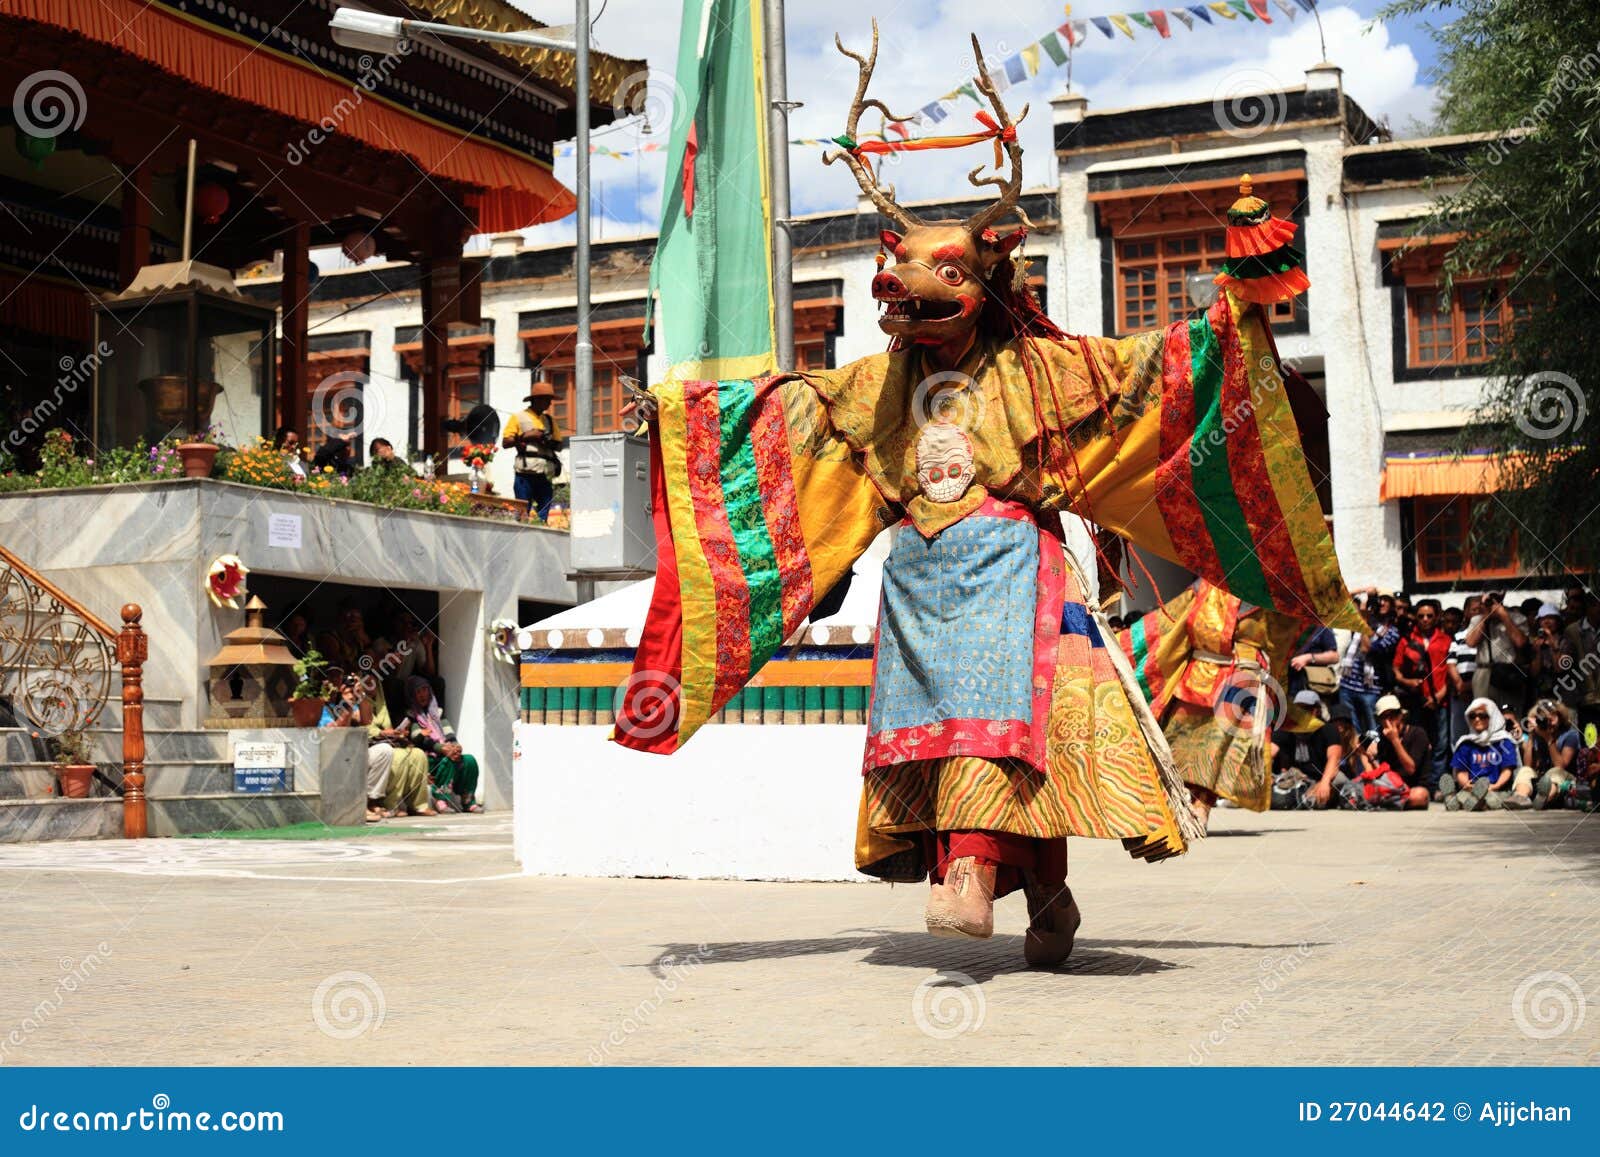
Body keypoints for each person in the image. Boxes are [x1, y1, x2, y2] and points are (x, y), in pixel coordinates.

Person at [613, 70, 1359, 967]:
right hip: (920, 581)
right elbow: (788, 406)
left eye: (948, 273)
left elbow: (1147, 369)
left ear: (989, 274)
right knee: (967, 737)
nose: (913, 286)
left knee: (990, 725)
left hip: (1014, 575)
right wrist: (677, 413)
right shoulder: (881, 384)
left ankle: (970, 876)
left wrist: (1228, 316)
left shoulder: (1045, 369)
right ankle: (1044, 891)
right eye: (909, 271)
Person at [403, 676, 482, 813]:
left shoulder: (437, 713)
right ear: (412, 695)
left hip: (444, 753)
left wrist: (455, 747)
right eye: (418, 692)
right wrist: (442, 749)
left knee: (469, 760)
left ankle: (468, 799)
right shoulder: (411, 716)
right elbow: (418, 738)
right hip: (429, 758)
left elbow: (449, 734)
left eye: (425, 690)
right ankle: (440, 798)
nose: (422, 695)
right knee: (448, 761)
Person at [1394, 598, 1451, 786]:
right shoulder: (1407, 639)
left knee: (1441, 744)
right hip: (1415, 700)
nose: (1425, 619)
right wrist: (1407, 681)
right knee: (1419, 742)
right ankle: (1420, 783)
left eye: (1429, 616)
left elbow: (1450, 670)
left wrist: (1441, 694)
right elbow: (1396, 669)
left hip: (1439, 700)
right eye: (1421, 616)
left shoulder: (1446, 640)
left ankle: (1437, 785)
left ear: (1436, 618)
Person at [1270, 692, 1355, 809]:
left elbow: (1334, 759)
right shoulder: (1286, 729)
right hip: (1295, 779)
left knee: (1339, 779)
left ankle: (1302, 799)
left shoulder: (1328, 729)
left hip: (1322, 778)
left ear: (1317, 710)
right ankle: (1295, 799)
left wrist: (1324, 782)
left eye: (1307, 708)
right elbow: (1269, 753)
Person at [365, 679, 432, 821]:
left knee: (418, 755)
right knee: (399, 756)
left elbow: (388, 728)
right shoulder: (360, 704)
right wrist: (382, 733)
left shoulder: (381, 704)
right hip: (371, 745)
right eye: (367, 684)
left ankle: (418, 805)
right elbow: (365, 728)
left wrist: (398, 734)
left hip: (389, 742)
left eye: (374, 684)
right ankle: (390, 804)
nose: (372, 687)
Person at [1439, 697, 1522, 811]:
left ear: (1492, 717)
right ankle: (1455, 800)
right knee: (1463, 796)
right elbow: (1461, 771)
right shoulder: (1465, 743)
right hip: (1471, 789)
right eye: (1472, 716)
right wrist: (1467, 785)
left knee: (1493, 800)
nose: (1477, 719)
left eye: (1482, 716)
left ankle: (1472, 802)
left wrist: (1494, 786)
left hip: (1497, 789)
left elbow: (1507, 770)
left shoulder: (1504, 741)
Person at [502, 382, 563, 520]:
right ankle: (520, 538)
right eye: (547, 399)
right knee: (523, 512)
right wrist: (526, 436)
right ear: (537, 399)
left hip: (545, 474)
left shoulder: (549, 420)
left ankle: (540, 536)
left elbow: (559, 445)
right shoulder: (518, 417)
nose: (549, 403)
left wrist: (544, 439)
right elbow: (506, 442)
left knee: (543, 513)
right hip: (525, 474)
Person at [1464, 591, 1530, 715]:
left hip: (1508, 672)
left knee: (1510, 714)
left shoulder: (1517, 618)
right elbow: (1471, 642)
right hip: (1484, 672)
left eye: (1495, 597)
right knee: (1483, 715)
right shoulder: (1477, 619)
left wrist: (1503, 615)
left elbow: (1520, 642)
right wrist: (1485, 617)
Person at [1512, 699, 1584, 810]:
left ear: (1560, 718)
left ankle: (1546, 798)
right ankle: (1520, 797)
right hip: (1543, 781)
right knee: (1525, 770)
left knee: (1556, 771)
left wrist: (1549, 739)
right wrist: (1531, 737)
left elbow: (1561, 765)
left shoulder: (1570, 736)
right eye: (1544, 719)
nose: (1548, 723)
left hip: (1565, 782)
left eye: (1552, 718)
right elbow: (1528, 765)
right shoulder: (1538, 735)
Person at [1446, 597, 1481, 752]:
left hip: (1480, 691)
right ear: (1466, 612)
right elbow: (1451, 663)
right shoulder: (1458, 637)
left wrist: (1473, 686)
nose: (1478, 613)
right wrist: (1460, 685)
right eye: (1474, 610)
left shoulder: (1490, 636)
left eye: (1481, 609)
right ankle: (1459, 771)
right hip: (1460, 693)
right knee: (1459, 734)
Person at [1374, 693, 1431, 789]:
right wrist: (1368, 757)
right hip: (1393, 786)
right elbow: (1383, 772)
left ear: (1400, 715)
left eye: (1392, 715)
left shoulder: (1417, 734)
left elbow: (1410, 769)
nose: (1388, 721)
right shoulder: (1383, 740)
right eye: (1384, 717)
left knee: (1418, 795)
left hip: (1415, 787)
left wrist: (1395, 740)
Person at [1562, 595, 1600, 736]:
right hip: (1584, 699)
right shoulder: (1572, 631)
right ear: (1589, 607)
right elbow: (1566, 665)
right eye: (1596, 605)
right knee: (1590, 742)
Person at [1337, 629, 1381, 732]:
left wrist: (1363, 625)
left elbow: (1366, 648)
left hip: (1369, 689)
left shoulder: (1384, 628)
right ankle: (1356, 748)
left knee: (1373, 729)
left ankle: (1374, 748)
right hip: (1347, 684)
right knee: (1352, 729)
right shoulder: (1351, 624)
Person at [1529, 603, 1571, 703]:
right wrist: (1538, 652)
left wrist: (1554, 647)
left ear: (1558, 621)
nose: (1547, 622)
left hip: (1565, 697)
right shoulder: (1535, 643)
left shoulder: (1566, 642)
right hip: (1542, 698)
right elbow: (1534, 673)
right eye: (1543, 619)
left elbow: (1560, 669)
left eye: (1551, 618)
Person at [1286, 623, 1339, 699]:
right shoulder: (1289, 622)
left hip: (1306, 687)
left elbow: (1334, 657)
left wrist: (1308, 658)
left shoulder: (1321, 627)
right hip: (1284, 682)